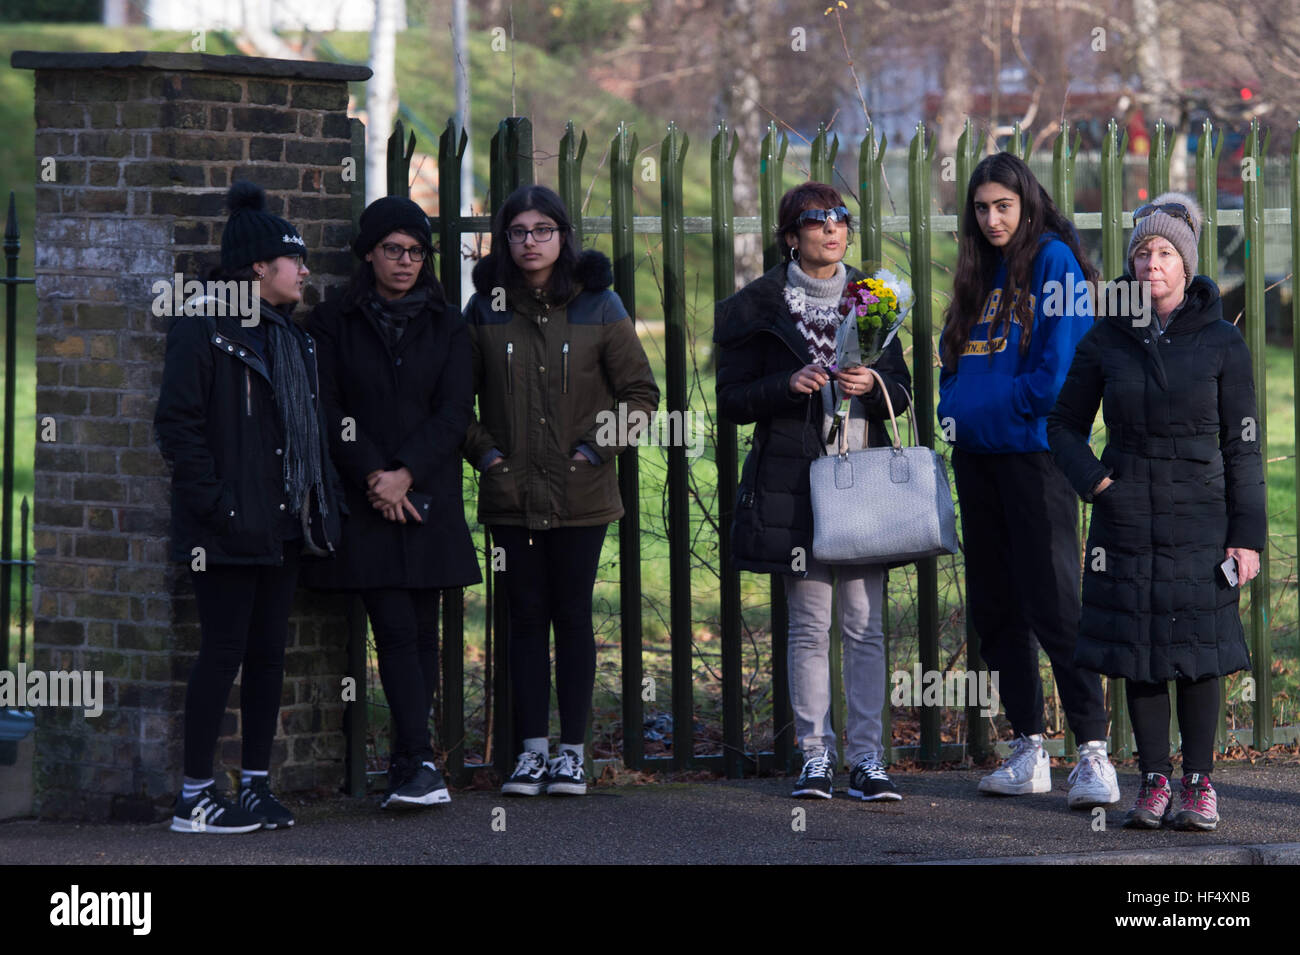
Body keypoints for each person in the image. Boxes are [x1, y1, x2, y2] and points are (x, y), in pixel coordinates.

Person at [1048, 192, 1265, 831]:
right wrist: (1098, 483)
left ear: (1187, 264)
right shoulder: (1106, 338)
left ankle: (1199, 786)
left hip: (1205, 520)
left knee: (1198, 651)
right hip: (1127, 519)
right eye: (1143, 253)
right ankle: (1153, 783)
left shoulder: (1224, 342)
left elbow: (1244, 445)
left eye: (1165, 252)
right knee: (1137, 651)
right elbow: (1062, 426)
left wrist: (1247, 534)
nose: (1152, 264)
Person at [715, 181, 913, 801]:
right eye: (815, 219)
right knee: (808, 624)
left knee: (863, 624)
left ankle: (866, 760)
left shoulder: (875, 298)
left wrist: (871, 381)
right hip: (793, 484)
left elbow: (902, 396)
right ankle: (814, 756)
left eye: (840, 218)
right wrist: (786, 383)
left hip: (860, 482)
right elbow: (730, 401)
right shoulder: (759, 305)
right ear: (790, 233)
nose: (831, 228)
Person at [155, 181, 342, 833]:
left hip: (283, 524)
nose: (306, 271)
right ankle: (195, 796)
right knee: (221, 650)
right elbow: (177, 425)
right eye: (297, 260)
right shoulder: (202, 322)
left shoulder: (289, 338)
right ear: (260, 265)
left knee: (267, 653)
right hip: (226, 528)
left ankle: (256, 785)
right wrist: (222, 507)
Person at [463, 184, 659, 796]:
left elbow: (641, 396)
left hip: (582, 493)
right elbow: (452, 401)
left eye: (542, 230)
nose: (530, 242)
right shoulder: (486, 307)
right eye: (518, 231)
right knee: (524, 619)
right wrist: (487, 454)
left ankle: (572, 752)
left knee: (572, 616)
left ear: (562, 235)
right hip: (510, 493)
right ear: (505, 238)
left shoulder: (599, 303)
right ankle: (529, 752)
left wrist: (594, 449)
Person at [937, 152, 1119, 809]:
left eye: (1003, 206)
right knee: (995, 609)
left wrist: (985, 409)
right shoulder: (977, 273)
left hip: (1032, 455)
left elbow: (1055, 374)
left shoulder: (1053, 262)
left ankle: (1094, 754)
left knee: (1055, 606)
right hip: (977, 457)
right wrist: (953, 407)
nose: (991, 219)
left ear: (1027, 203)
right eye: (981, 208)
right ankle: (1029, 748)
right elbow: (950, 357)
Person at [304, 196, 480, 808]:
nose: (406, 262)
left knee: (421, 634)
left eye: (416, 251)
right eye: (393, 250)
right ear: (370, 254)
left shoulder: (448, 322)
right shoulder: (333, 322)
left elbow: (456, 411)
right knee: (395, 629)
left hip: (426, 495)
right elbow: (328, 410)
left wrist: (407, 473)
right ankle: (416, 762)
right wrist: (376, 475)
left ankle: (415, 762)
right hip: (367, 499)